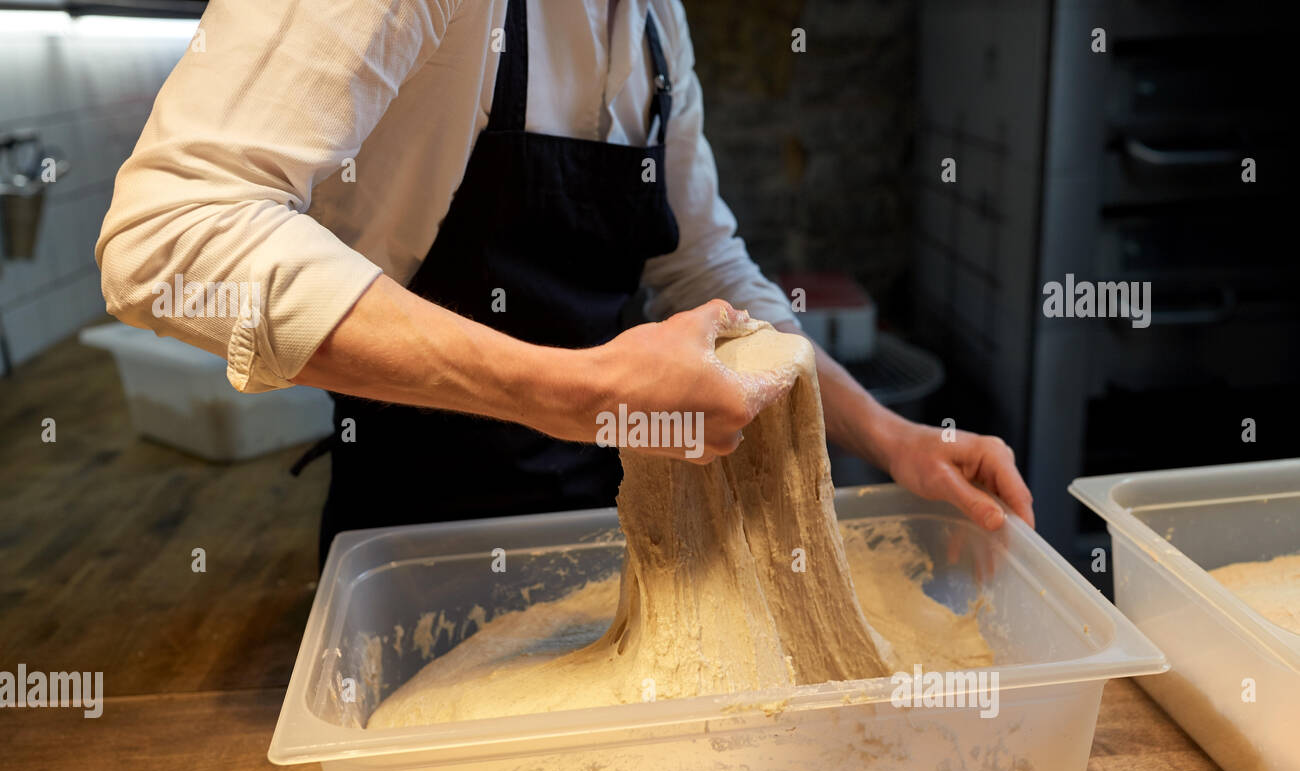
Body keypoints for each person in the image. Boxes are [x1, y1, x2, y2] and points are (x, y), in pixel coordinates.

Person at [96, 0, 1034, 571]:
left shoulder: (657, 25)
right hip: (416, 536)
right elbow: (171, 233)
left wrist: (892, 435)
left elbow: (705, 269)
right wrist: (578, 393)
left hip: (605, 534)